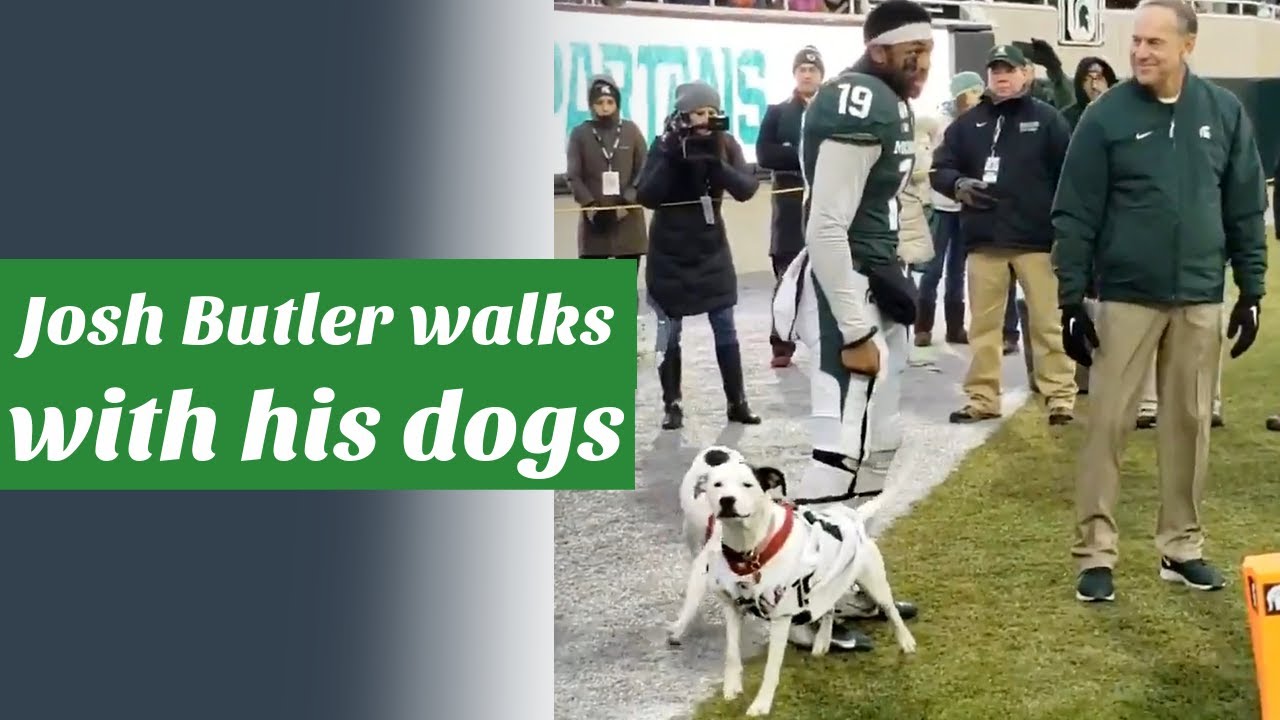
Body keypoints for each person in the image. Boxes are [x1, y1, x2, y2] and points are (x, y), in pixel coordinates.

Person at [1052, 0, 1267, 602]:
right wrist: (1071, 299)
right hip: (1126, 296)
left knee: (1190, 426)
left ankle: (1182, 547)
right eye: (1136, 41)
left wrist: (1251, 289)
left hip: (1200, 295)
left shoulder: (1222, 111)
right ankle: (1095, 554)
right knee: (1107, 426)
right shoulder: (1106, 115)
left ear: (1187, 46)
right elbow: (1075, 211)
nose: (1140, 52)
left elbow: (1245, 207)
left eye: (1154, 43)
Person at [777, 0, 933, 655]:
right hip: (846, 293)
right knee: (837, 451)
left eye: (927, 52)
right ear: (878, 50)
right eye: (912, 53)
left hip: (873, 283)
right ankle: (801, 602)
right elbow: (825, 227)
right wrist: (853, 330)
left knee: (876, 444)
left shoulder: (886, 98)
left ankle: (842, 579)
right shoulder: (857, 102)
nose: (923, 64)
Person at [931, 44, 1077, 425]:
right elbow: (939, 168)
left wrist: (1066, 228)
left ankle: (1060, 396)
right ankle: (982, 398)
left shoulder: (1047, 119)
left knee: (1048, 324)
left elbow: (1070, 174)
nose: (1002, 77)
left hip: (1037, 240)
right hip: (985, 240)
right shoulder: (968, 124)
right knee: (983, 328)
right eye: (996, 70)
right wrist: (957, 183)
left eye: (1009, 70)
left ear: (1025, 73)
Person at [636, 81, 763, 431]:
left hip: (711, 250)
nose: (706, 119)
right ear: (682, 115)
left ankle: (737, 402)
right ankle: (672, 404)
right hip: (669, 253)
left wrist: (715, 164)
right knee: (669, 332)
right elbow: (646, 195)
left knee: (725, 325)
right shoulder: (664, 144)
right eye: (698, 113)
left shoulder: (726, 143)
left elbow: (747, 189)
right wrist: (672, 156)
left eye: (711, 112)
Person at [759, 46, 825, 369]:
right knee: (786, 274)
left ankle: (828, 342)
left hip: (823, 203)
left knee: (826, 275)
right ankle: (781, 343)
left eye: (812, 70)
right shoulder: (777, 112)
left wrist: (796, 152)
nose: (807, 75)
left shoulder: (831, 111)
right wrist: (804, 154)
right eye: (802, 70)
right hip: (789, 206)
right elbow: (765, 154)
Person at [916, 71, 982, 346]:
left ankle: (955, 328)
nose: (977, 97)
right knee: (932, 269)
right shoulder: (940, 123)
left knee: (957, 270)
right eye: (973, 92)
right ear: (959, 95)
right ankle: (923, 327)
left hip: (964, 208)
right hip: (940, 206)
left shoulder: (980, 123)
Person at [565, 75, 649, 274]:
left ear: (617, 103)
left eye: (610, 102)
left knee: (624, 286)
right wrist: (590, 205)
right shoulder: (580, 134)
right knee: (596, 288)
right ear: (591, 105)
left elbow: (644, 169)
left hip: (628, 219)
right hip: (594, 221)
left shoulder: (631, 131)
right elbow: (573, 175)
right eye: (599, 102)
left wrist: (628, 202)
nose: (605, 107)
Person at [1061, 56, 1119, 131]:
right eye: (1087, 80)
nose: (1094, 86)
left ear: (1108, 82)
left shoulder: (1122, 114)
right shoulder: (1066, 118)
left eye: (1099, 78)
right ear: (1081, 85)